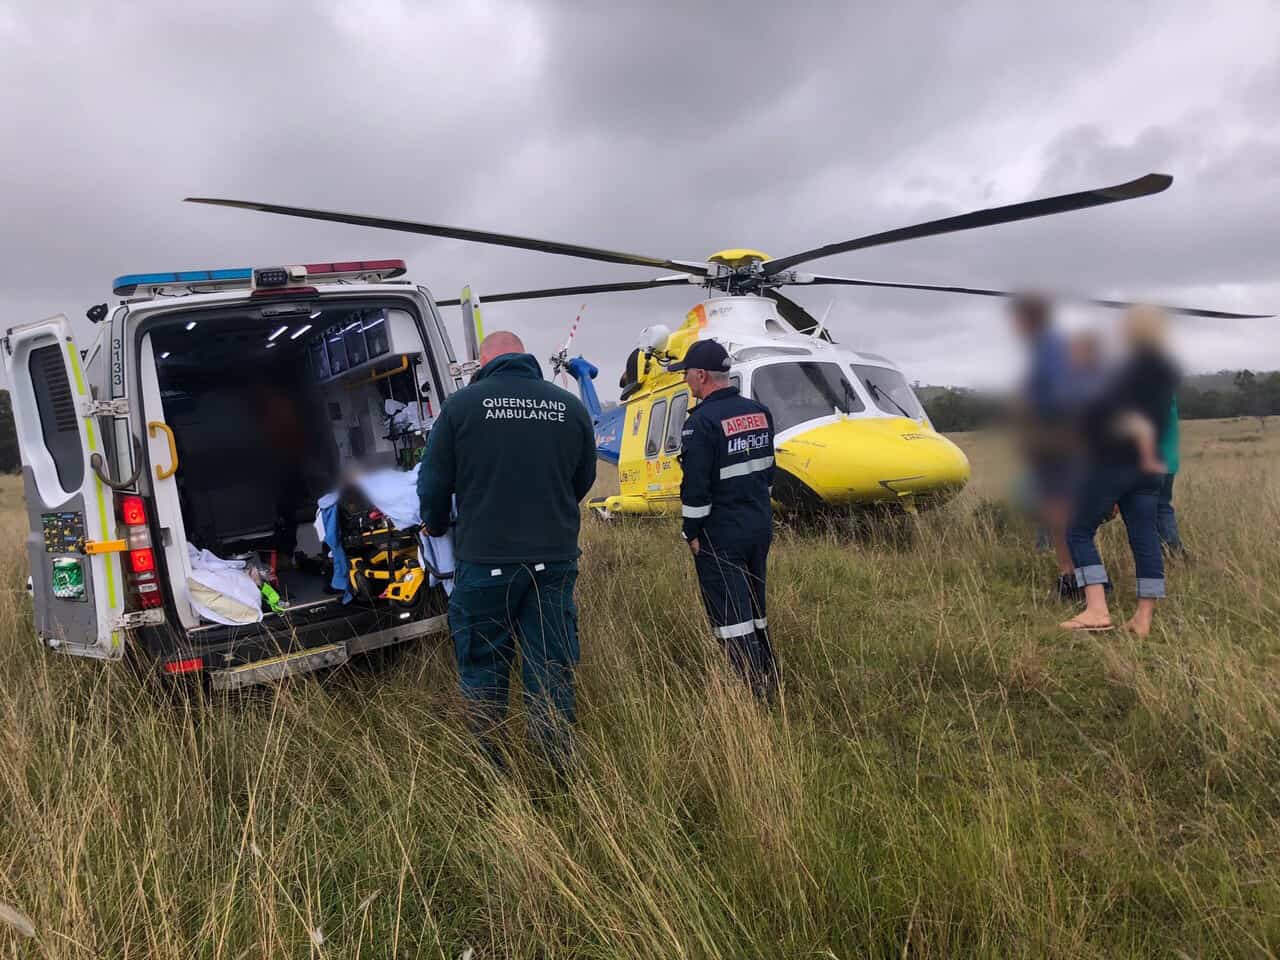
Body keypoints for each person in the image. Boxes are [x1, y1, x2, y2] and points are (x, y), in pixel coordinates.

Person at [418, 330, 597, 771]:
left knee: (483, 664)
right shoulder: (570, 407)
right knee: (550, 661)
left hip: (486, 563)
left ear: (484, 362)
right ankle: (556, 765)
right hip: (554, 560)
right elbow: (584, 479)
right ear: (526, 357)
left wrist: (437, 524)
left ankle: (490, 769)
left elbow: (434, 483)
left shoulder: (461, 407)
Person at [1062, 306, 1180, 636]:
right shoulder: (1164, 372)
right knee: (1144, 537)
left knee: (1077, 530)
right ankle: (1143, 618)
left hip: (1115, 462)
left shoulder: (1125, 371)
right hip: (1149, 467)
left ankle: (1097, 609)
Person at [669, 339, 777, 700]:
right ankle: (769, 673)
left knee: (730, 615)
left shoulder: (701, 423)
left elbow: (696, 488)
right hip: (759, 525)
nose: (685, 380)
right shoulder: (760, 412)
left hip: (722, 533)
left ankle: (751, 692)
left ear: (701, 375)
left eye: (686, 373)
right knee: (755, 605)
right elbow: (768, 473)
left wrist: (691, 532)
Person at [1010, 295, 1082, 602]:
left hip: (1056, 443)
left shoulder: (1047, 349)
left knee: (1059, 512)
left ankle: (1072, 579)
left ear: (1028, 319)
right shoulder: (1050, 347)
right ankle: (1076, 576)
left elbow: (1058, 397)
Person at [1156, 396, 1183, 554]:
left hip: (1152, 463)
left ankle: (1167, 550)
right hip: (1169, 462)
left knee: (1148, 510)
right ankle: (1174, 550)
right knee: (1163, 507)